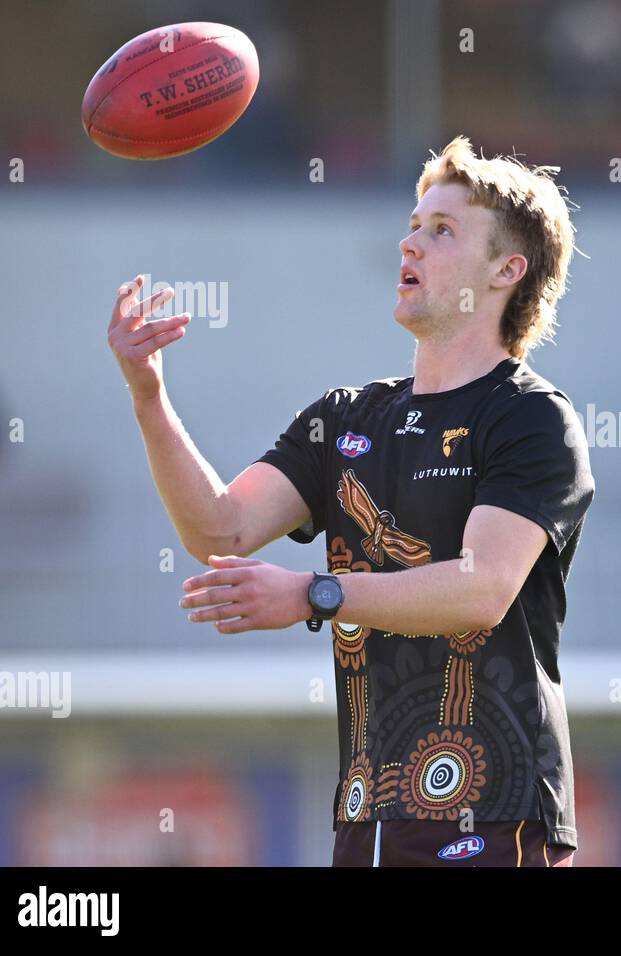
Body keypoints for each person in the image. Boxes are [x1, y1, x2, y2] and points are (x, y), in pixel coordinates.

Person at [108, 137, 593, 867]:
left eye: (442, 230)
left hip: (496, 815)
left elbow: (484, 588)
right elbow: (223, 528)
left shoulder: (530, 417)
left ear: (506, 270)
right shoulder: (343, 421)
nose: (411, 242)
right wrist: (149, 398)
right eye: (413, 222)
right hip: (367, 820)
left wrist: (312, 593)